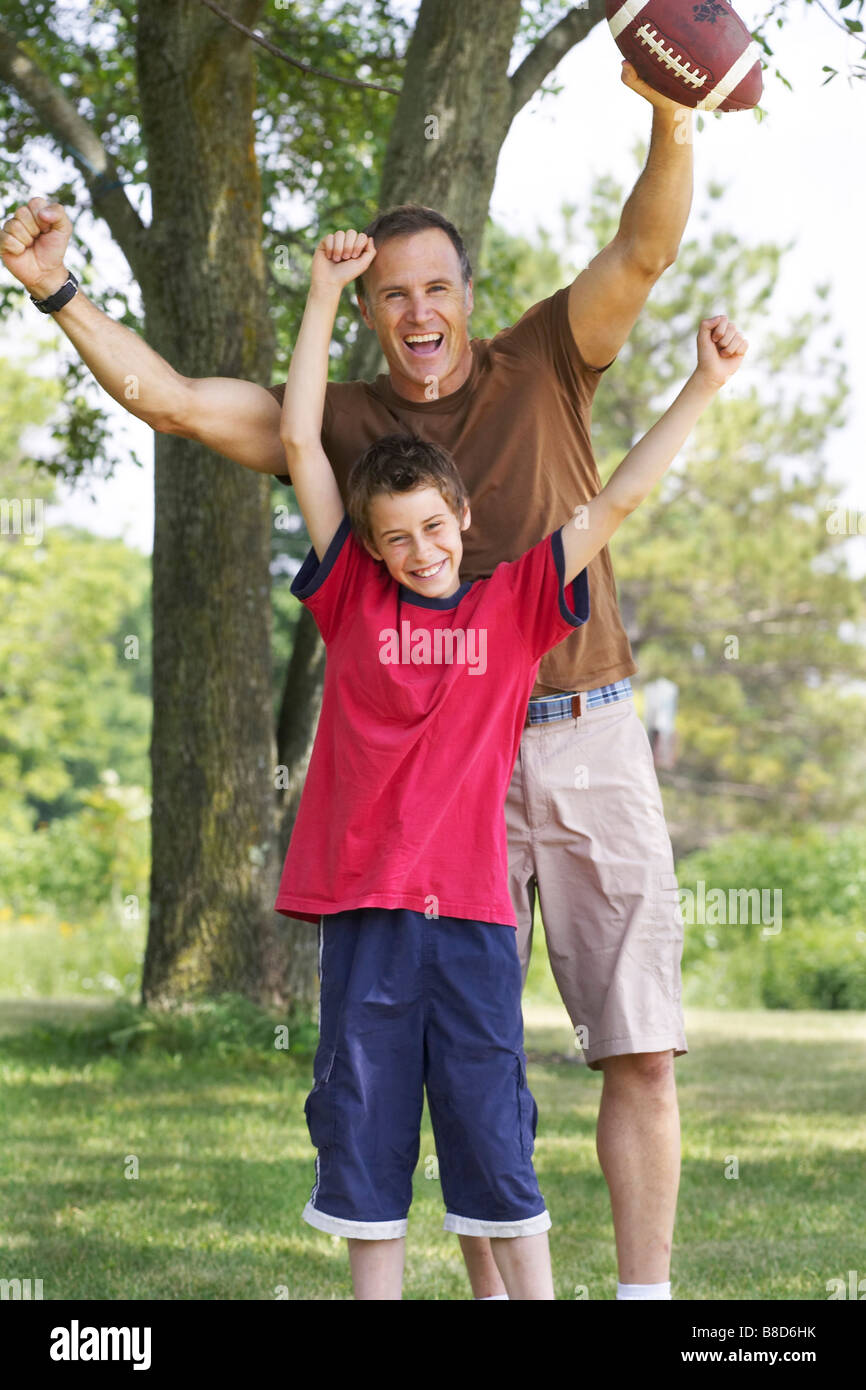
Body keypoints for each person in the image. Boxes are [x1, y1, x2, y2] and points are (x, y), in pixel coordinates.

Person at [0, 67, 711, 1297]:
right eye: (394, 295)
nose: (419, 309)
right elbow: (167, 400)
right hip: (441, 783)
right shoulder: (339, 428)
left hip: (583, 733)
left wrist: (669, 114)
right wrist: (57, 286)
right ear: (372, 311)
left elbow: (643, 250)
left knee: (638, 1048)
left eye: (437, 286)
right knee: (467, 1069)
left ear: (467, 295)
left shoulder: (545, 355)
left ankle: (646, 1302)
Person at [278, 225, 746, 1300]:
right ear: (367, 546)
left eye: (435, 531)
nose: (421, 551)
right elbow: (304, 445)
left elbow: (615, 499)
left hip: (473, 910)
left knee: (491, 1109)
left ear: (466, 523)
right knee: (371, 1121)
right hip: (376, 906)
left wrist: (701, 386)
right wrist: (319, 296)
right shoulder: (351, 598)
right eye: (396, 538)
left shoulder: (509, 607)